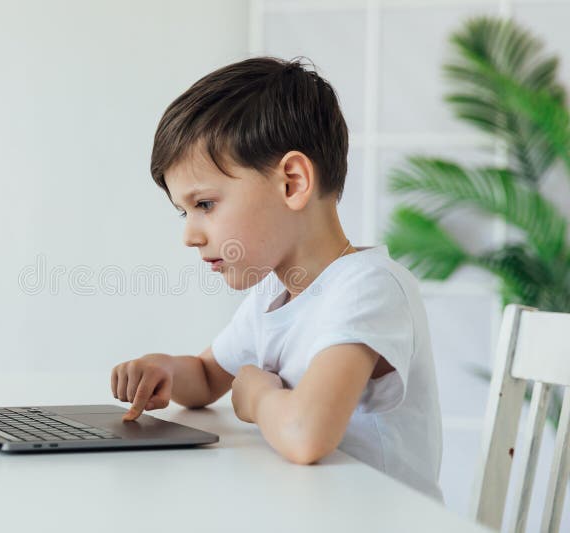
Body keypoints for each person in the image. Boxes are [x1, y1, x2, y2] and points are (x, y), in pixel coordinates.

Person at [110, 56, 443, 501]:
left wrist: (259, 398)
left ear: (292, 182)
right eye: (183, 212)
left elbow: (306, 435)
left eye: (205, 204)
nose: (189, 235)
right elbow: (209, 376)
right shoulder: (276, 295)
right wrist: (166, 370)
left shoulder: (368, 287)